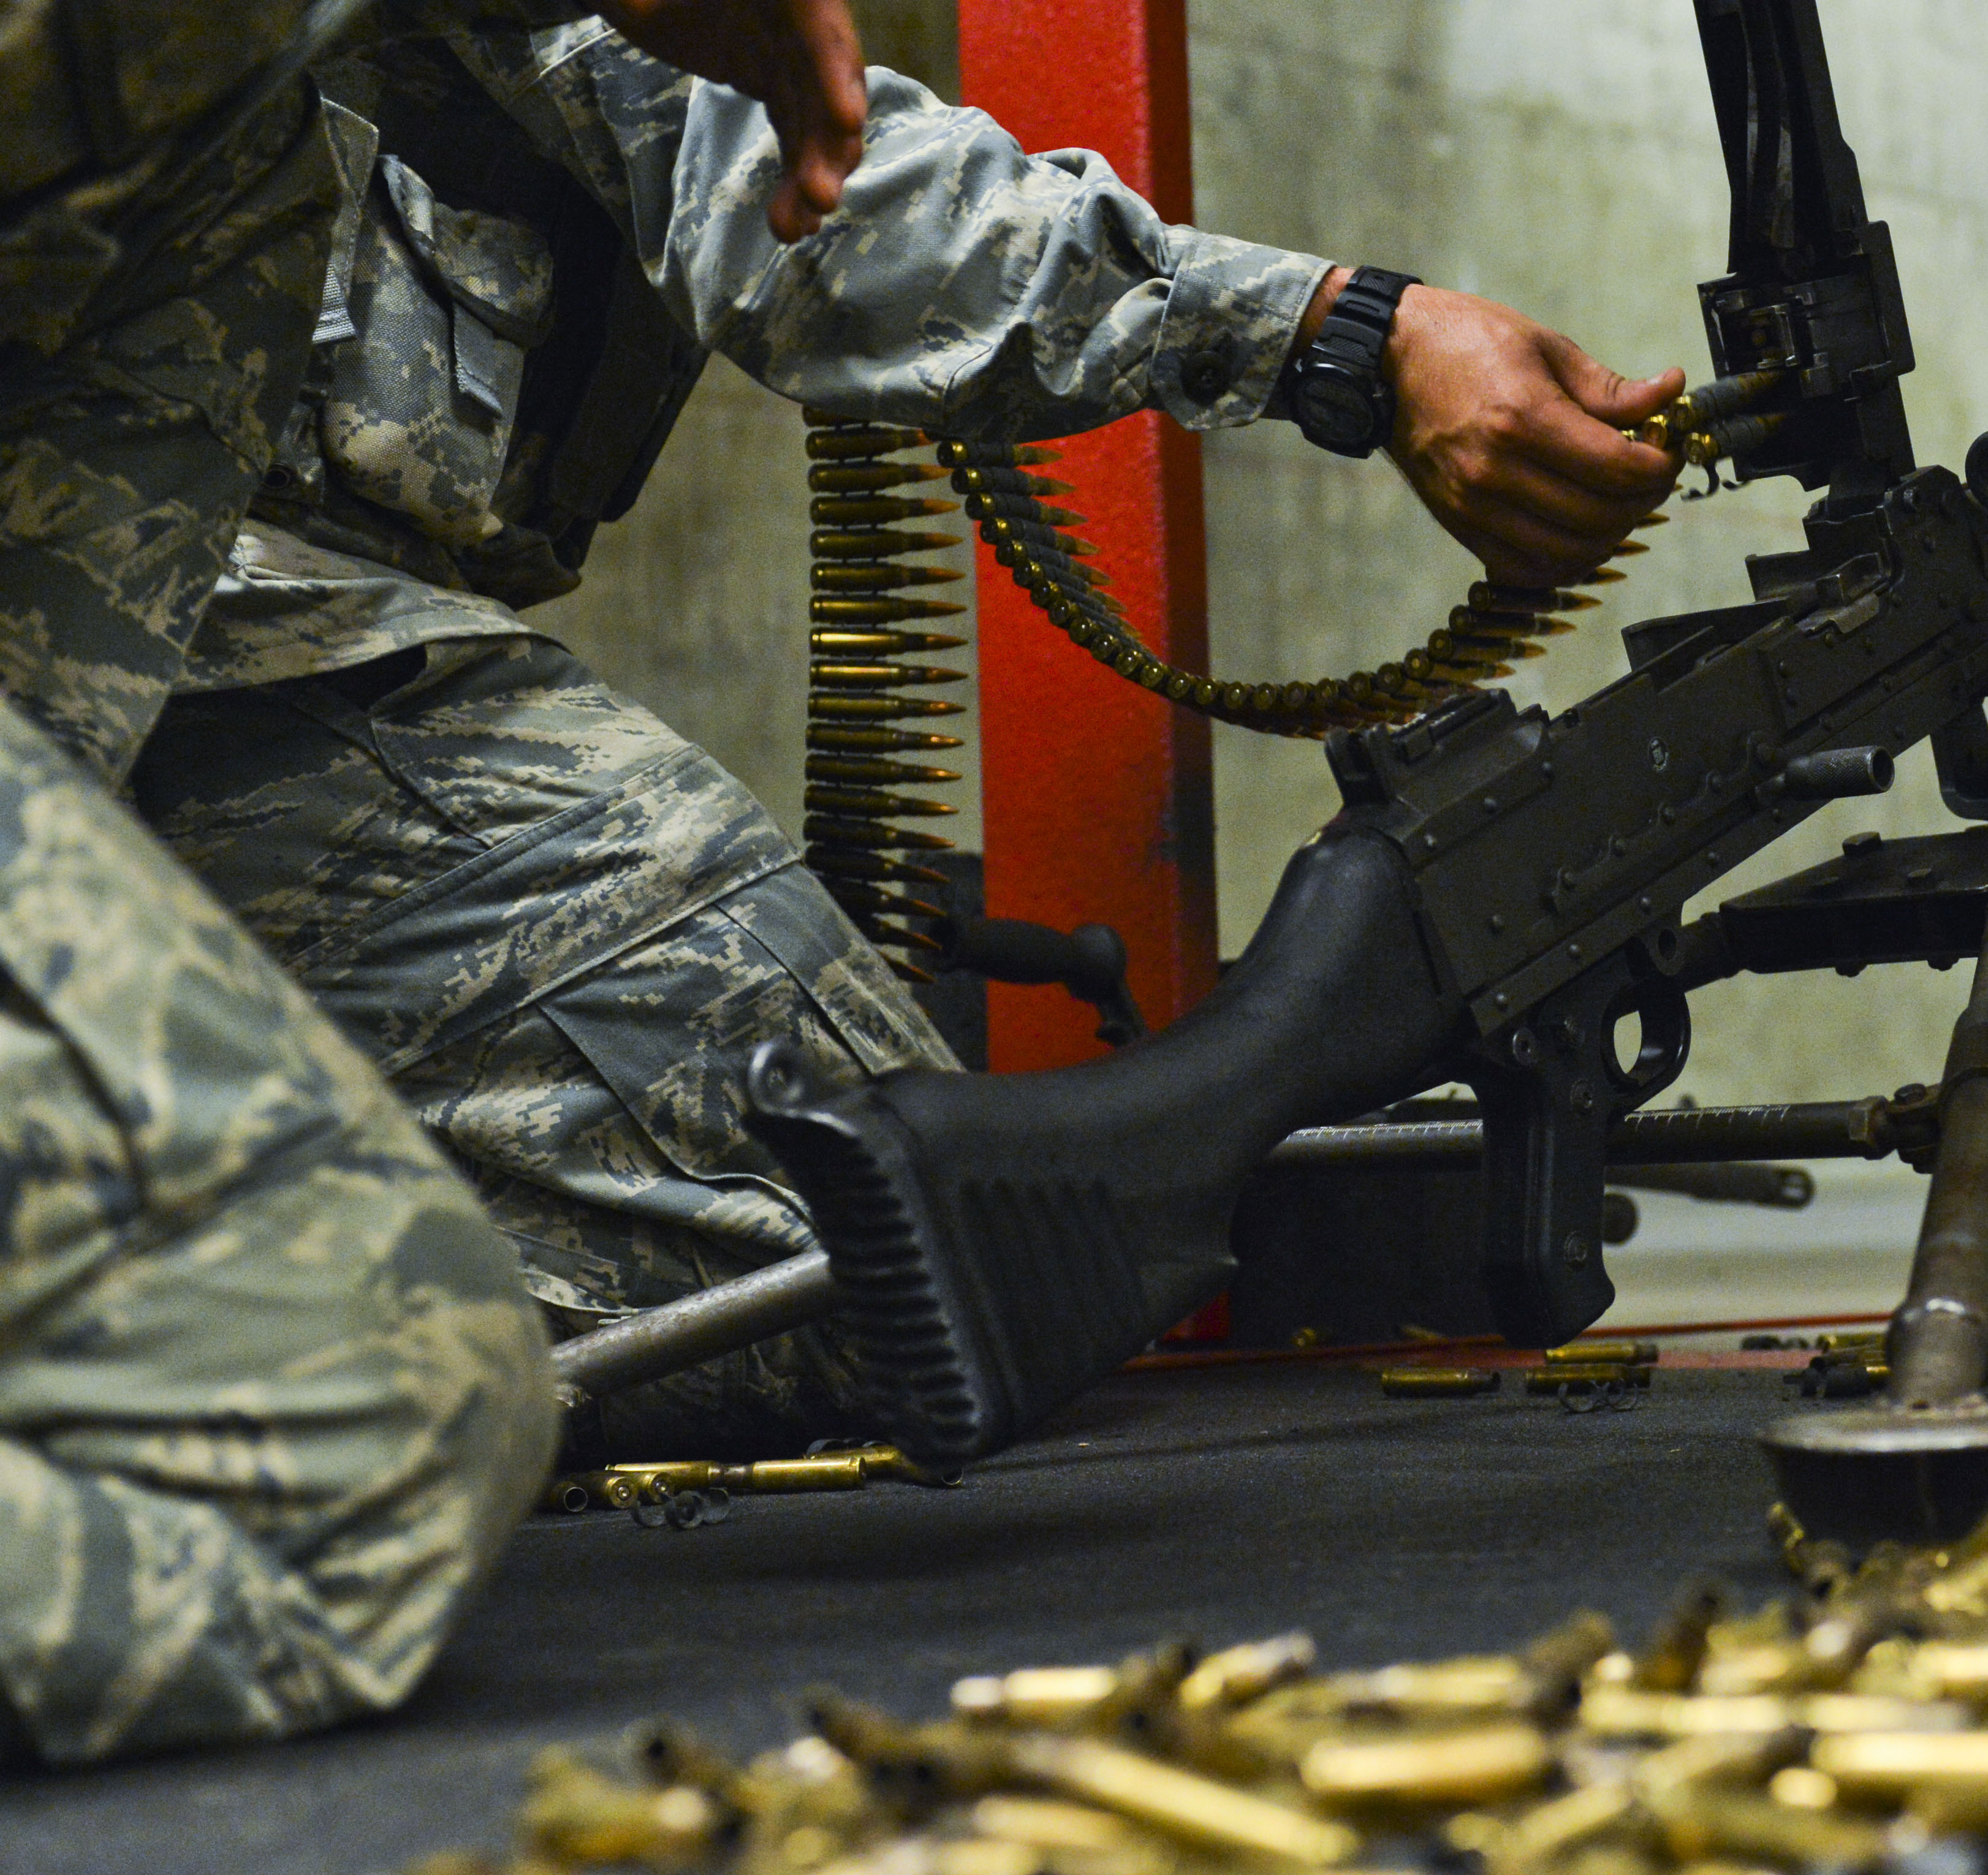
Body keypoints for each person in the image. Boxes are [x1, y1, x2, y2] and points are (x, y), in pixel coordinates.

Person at [123, 23, 1684, 1461]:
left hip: (215, 657)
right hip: (205, 641)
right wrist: (1345, 334)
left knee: (940, 1228)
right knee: (916, 1268)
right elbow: (794, 199)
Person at [0, 0, 871, 1766]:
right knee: (361, 1441)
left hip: (167, 690)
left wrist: (1337, 332)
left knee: (851, 1233)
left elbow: (828, 178)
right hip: (269, 665)